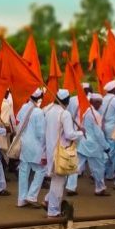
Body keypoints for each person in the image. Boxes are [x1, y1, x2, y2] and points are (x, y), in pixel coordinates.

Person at [45, 89, 84, 217]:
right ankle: (53, 211)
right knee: (58, 182)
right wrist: (81, 133)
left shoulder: (48, 111)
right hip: (61, 152)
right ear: (67, 101)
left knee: (56, 181)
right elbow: (69, 134)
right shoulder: (64, 114)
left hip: (51, 150)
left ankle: (49, 202)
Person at [68, 93, 111, 197]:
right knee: (98, 168)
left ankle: (70, 187)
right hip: (93, 146)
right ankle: (100, 189)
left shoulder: (86, 112)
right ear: (95, 102)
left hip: (83, 143)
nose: (100, 106)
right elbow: (98, 133)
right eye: (99, 103)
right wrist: (106, 146)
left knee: (76, 167)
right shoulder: (95, 114)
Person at [16, 89, 47, 208]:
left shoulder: (24, 107)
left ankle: (21, 200)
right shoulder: (38, 112)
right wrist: (45, 147)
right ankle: (31, 196)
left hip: (24, 143)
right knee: (40, 170)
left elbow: (18, 123)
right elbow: (41, 133)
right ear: (40, 98)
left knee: (24, 171)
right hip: (35, 146)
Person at [100, 81, 115, 184]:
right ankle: (97, 172)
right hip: (113, 129)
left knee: (109, 152)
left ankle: (110, 175)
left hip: (103, 127)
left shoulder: (102, 98)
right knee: (110, 153)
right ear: (114, 89)